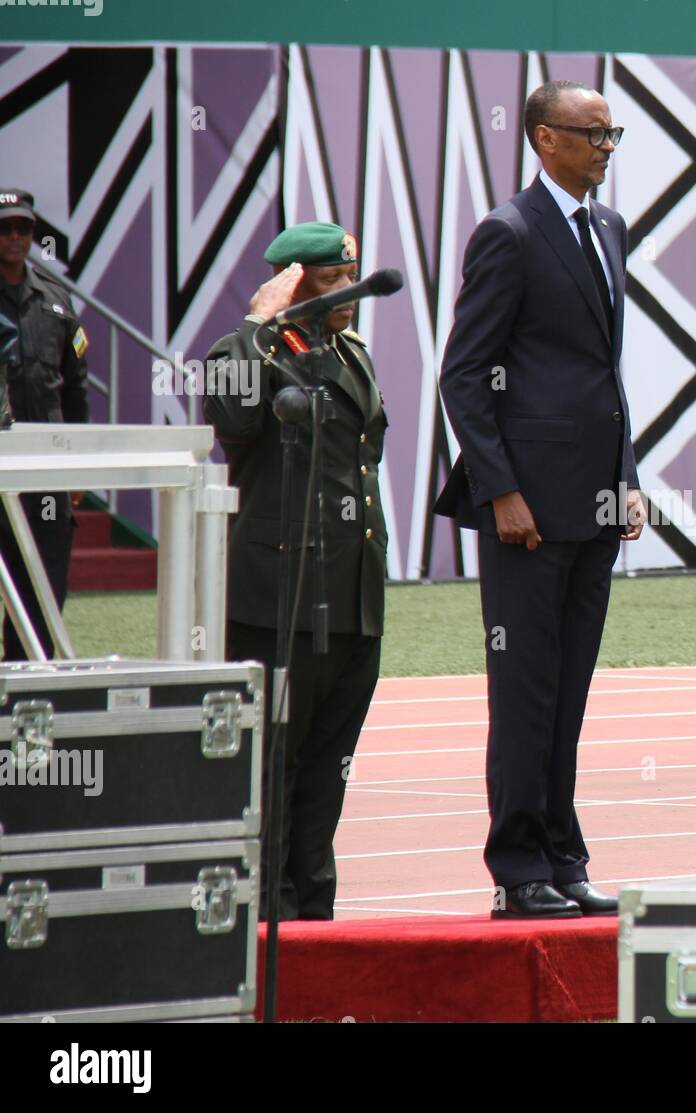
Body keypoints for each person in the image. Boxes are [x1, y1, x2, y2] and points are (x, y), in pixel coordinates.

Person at [434, 80, 644, 920]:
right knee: (525, 688)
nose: (606, 147)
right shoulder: (509, 233)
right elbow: (464, 375)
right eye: (592, 133)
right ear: (543, 140)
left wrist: (625, 477)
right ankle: (518, 866)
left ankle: (564, 853)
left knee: (571, 687)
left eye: (612, 133)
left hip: (592, 503)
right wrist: (503, 492)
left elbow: (602, 373)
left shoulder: (607, 229)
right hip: (527, 512)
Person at [203, 221, 388, 920]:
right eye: (335, 279)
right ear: (293, 283)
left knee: (328, 770)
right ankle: (269, 913)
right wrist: (257, 324)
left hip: (352, 597)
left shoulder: (349, 352)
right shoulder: (247, 351)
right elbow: (233, 417)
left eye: (352, 276)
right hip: (281, 597)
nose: (351, 291)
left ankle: (315, 909)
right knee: (274, 765)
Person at [0, 187, 89, 660]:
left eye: (24, 228)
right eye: (5, 228)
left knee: (44, 582)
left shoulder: (55, 302)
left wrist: (75, 467)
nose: (15, 237)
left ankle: (27, 683)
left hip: (47, 470)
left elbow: (75, 390)